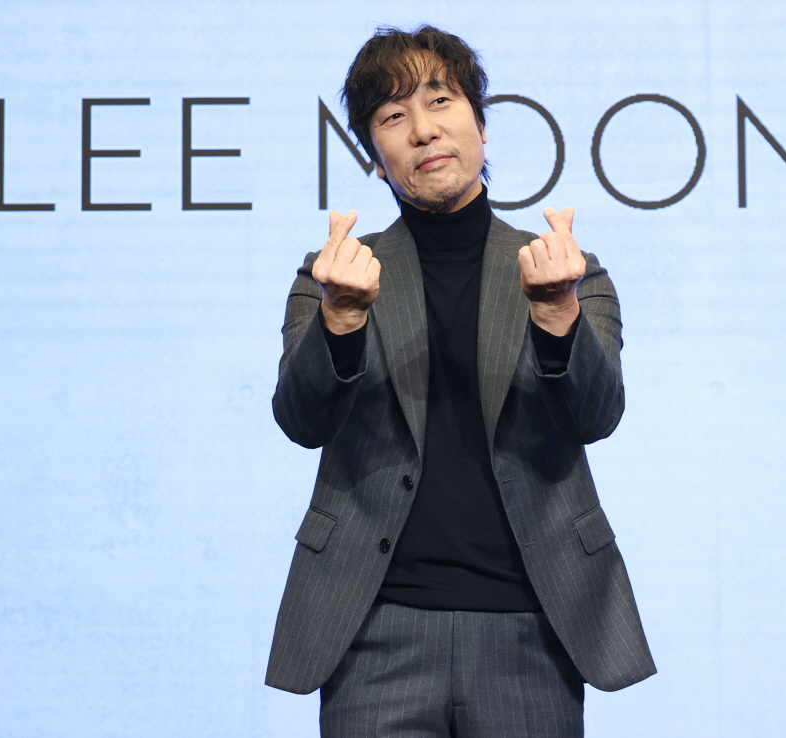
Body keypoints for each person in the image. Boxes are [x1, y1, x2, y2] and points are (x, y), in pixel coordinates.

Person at [264, 25, 655, 737]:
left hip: (531, 631)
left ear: (481, 125)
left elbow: (598, 416)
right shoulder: (334, 276)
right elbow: (301, 420)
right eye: (393, 115)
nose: (422, 130)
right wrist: (340, 319)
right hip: (374, 634)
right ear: (375, 159)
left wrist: (558, 314)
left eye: (440, 101)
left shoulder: (565, 269)